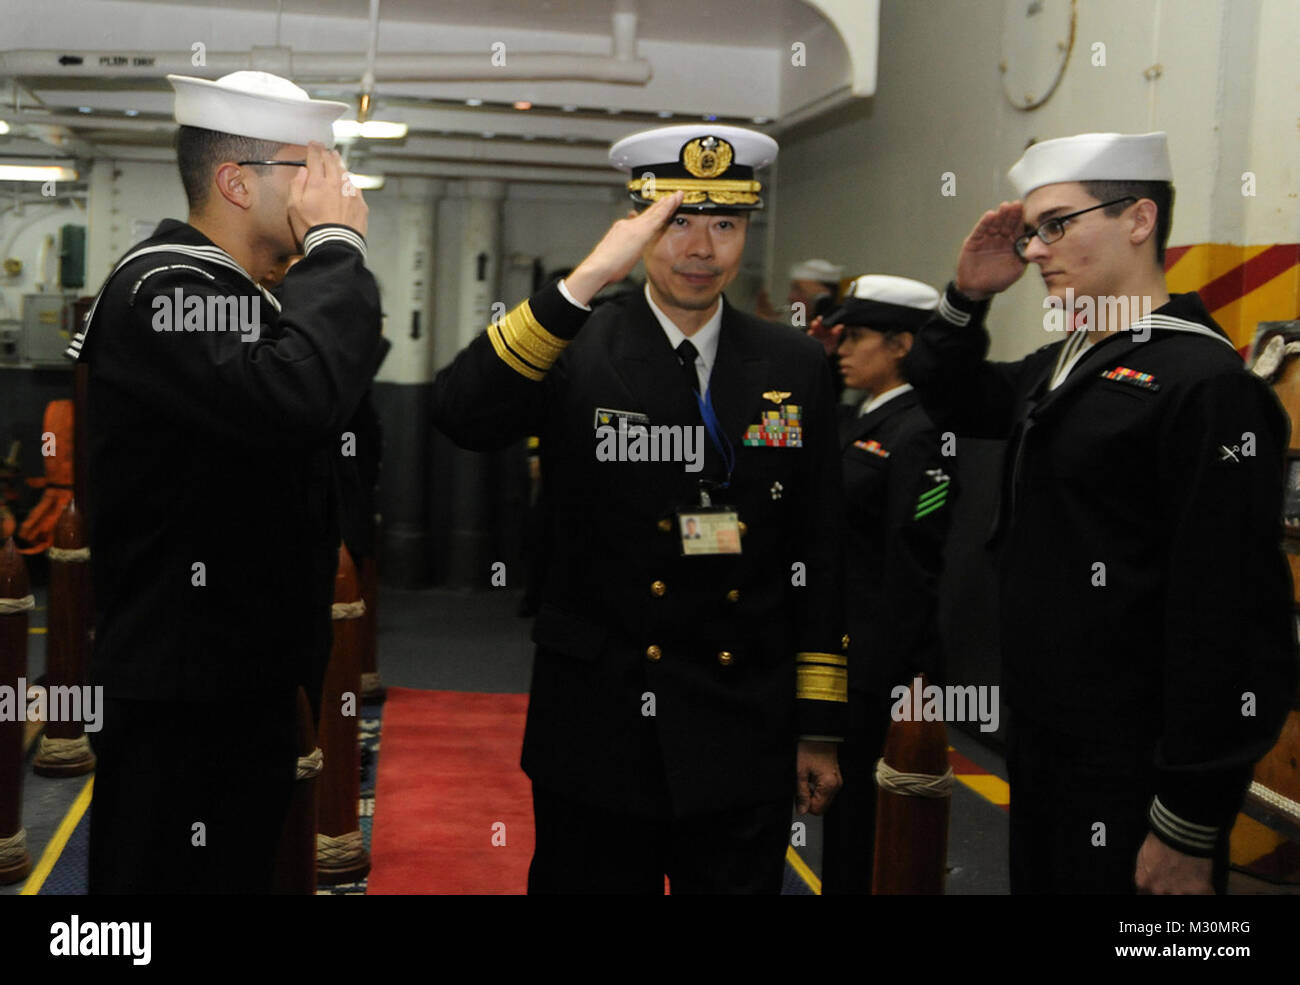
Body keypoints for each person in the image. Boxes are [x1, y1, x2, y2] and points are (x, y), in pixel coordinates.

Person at [429, 124, 848, 893]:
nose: (700, 247)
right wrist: (585, 280)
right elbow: (460, 412)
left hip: (739, 722)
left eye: (724, 223)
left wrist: (817, 725)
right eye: (676, 220)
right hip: (601, 723)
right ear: (635, 224)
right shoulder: (576, 340)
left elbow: (820, 546)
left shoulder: (793, 361)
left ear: (746, 230)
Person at [904, 131, 1297, 894]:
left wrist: (1188, 818)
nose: (1037, 250)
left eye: (1057, 224)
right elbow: (949, 393)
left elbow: (1229, 614)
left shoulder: (1204, 383)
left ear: (1139, 219)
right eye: (1032, 232)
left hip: (1136, 768)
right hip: (1048, 740)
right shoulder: (1070, 360)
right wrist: (966, 297)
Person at [69, 71, 387, 892]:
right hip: (181, 690)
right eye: (308, 168)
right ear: (236, 182)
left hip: (237, 675)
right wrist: (338, 251)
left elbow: (330, 423)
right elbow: (298, 399)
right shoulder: (166, 289)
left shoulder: (241, 296)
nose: (334, 190)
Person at [817, 275, 954, 894]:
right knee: (839, 808)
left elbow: (912, 558)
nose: (843, 348)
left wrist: (903, 677)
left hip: (876, 657)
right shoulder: (859, 418)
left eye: (858, 336)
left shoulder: (918, 430)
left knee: (867, 818)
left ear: (901, 345)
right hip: (840, 643)